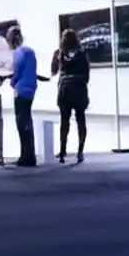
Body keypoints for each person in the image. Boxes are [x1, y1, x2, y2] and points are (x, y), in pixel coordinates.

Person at [7, 26, 50, 167]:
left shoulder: (19, 52)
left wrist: (12, 81)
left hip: (21, 89)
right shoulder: (30, 51)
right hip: (31, 88)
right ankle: (29, 154)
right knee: (27, 121)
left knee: (21, 122)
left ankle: (26, 156)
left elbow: (18, 69)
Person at [51, 28, 91, 164]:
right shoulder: (82, 54)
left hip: (65, 90)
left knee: (64, 121)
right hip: (79, 89)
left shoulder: (59, 53)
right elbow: (87, 75)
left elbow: (53, 71)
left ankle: (62, 151)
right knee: (81, 119)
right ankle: (80, 151)